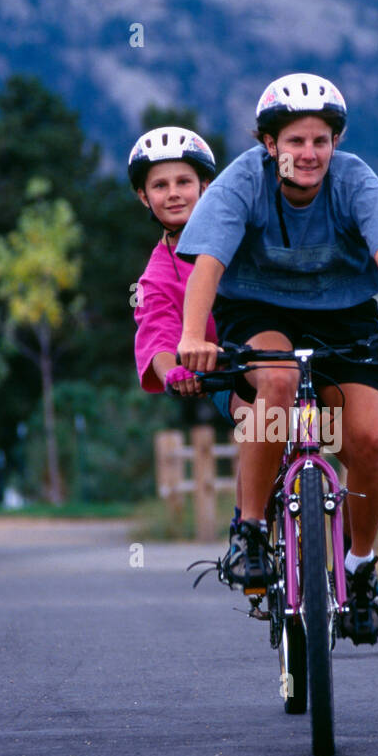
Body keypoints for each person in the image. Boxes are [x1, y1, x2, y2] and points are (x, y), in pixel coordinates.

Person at [176, 73, 378, 644]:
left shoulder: (354, 179)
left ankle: (360, 569)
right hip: (258, 312)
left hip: (345, 317)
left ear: (335, 143)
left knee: (369, 441)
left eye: (320, 140)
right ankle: (247, 531)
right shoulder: (243, 179)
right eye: (295, 142)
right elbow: (208, 263)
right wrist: (195, 337)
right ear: (270, 145)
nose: (308, 153)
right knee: (278, 382)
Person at [127, 125, 251, 545]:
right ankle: (246, 530)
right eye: (159, 185)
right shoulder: (157, 274)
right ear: (144, 197)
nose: (174, 193)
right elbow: (157, 337)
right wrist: (174, 374)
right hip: (223, 371)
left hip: (278, 350)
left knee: (329, 427)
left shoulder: (247, 233)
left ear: (207, 185)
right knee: (259, 424)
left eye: (184, 181)